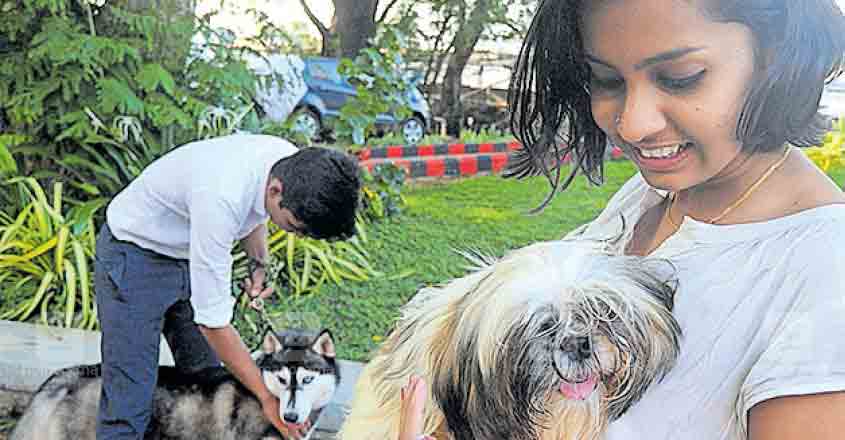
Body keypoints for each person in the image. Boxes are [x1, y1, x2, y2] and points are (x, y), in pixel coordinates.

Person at [399, 0, 845, 439]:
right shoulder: (655, 194)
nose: (633, 125)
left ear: (775, 58)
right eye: (606, 80)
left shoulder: (826, 271)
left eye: (680, 78)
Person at [94, 133, 361, 440]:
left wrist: (259, 261)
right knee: (130, 396)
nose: (295, 236)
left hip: (186, 248)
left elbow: (258, 212)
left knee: (207, 384)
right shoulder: (220, 197)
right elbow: (214, 323)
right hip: (135, 255)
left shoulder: (287, 163)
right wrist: (266, 397)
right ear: (276, 190)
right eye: (293, 227)